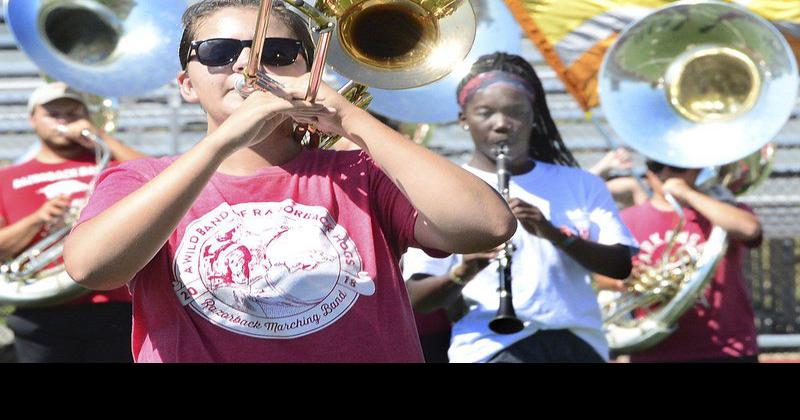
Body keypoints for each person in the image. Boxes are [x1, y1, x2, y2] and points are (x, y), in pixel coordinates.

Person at [62, 0, 515, 363]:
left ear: (309, 71)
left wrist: (353, 120)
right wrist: (223, 143)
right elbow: (92, 268)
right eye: (220, 52)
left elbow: (488, 225)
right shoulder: (142, 179)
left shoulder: (360, 172)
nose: (248, 64)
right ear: (186, 83)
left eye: (277, 54)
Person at [402, 52, 638, 363]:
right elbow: (417, 297)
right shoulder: (444, 188)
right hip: (489, 348)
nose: (501, 124)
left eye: (515, 112)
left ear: (532, 115)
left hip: (578, 344)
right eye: (485, 113)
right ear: (464, 119)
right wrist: (464, 270)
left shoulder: (581, 183)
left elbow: (620, 264)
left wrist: (555, 235)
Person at [0, 81, 145, 362]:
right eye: (54, 114)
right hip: (42, 314)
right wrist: (38, 220)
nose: (64, 120)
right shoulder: (8, 177)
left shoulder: (109, 162)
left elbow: (161, 180)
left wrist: (100, 137)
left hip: (114, 308)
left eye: (72, 113)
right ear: (33, 119)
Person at [596, 159, 762, 363]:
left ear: (697, 168)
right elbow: (599, 277)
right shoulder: (627, 219)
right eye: (656, 165)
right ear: (648, 170)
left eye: (677, 166)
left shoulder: (721, 211)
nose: (665, 173)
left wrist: (688, 194)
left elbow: (750, 230)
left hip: (727, 349)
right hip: (655, 351)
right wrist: (620, 280)